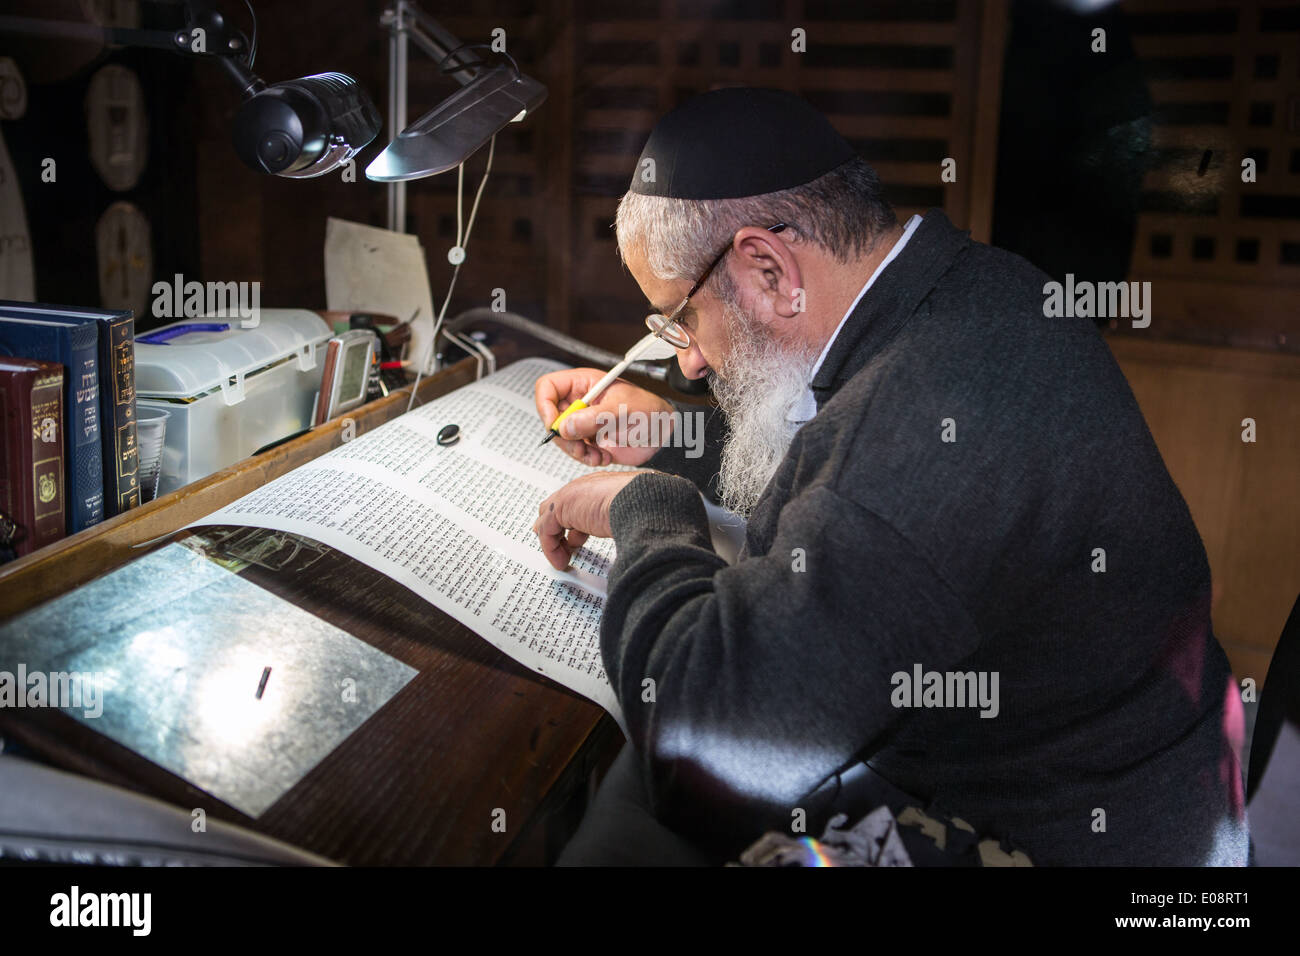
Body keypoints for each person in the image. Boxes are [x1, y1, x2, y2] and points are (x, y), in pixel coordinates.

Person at [531, 87, 1249, 866]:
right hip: (1127, 764)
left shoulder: (929, 423)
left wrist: (651, 509)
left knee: (629, 827)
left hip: (1075, 844)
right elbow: (829, 447)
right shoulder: (960, 288)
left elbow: (708, 754)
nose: (687, 361)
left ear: (768, 268)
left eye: (682, 320)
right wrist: (666, 436)